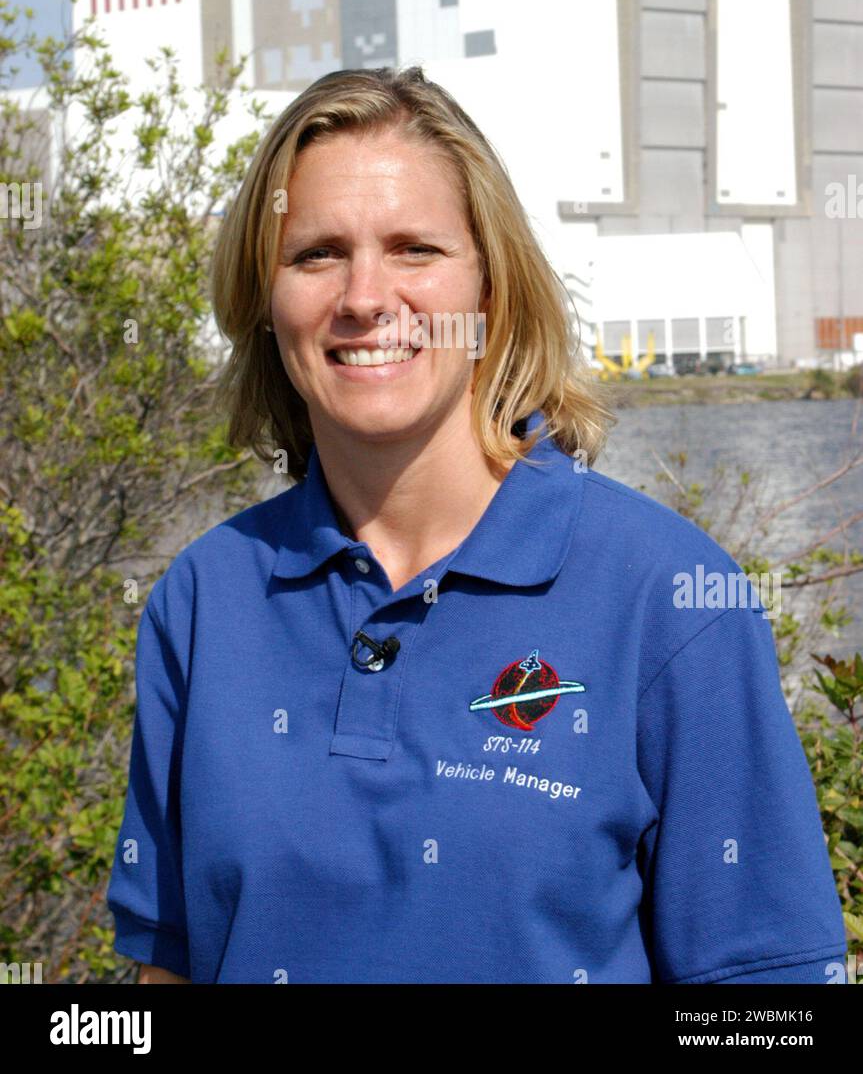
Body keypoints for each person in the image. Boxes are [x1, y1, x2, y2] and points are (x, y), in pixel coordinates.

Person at [107, 66, 848, 985]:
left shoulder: (668, 601)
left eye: (415, 248)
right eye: (315, 254)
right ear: (265, 302)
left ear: (490, 290)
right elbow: (166, 968)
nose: (364, 296)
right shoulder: (201, 602)